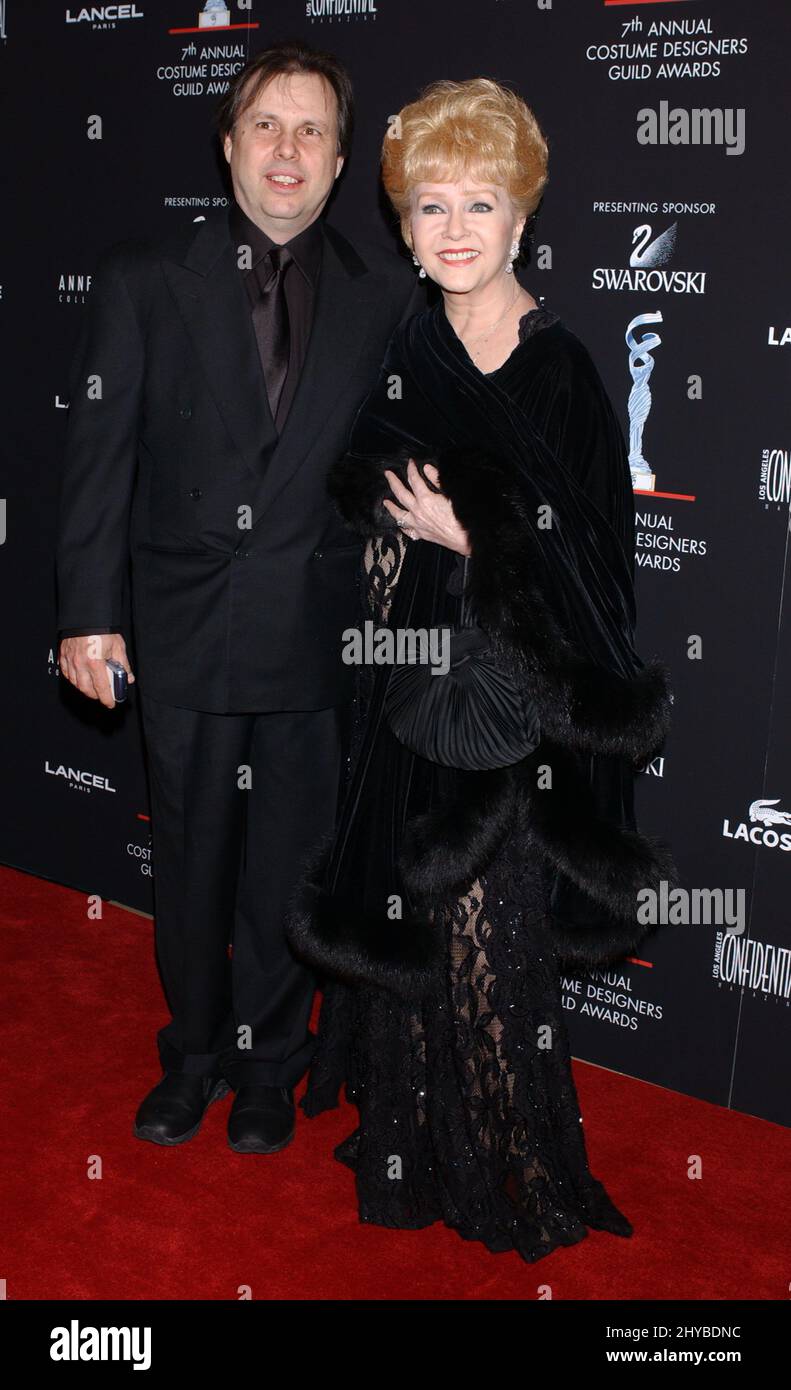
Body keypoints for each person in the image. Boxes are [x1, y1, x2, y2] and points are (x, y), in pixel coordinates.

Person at [287, 77, 677, 1261]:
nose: (453, 229)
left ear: (521, 220)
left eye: (480, 204)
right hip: (411, 685)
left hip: (516, 714)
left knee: (487, 940)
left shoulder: (560, 371)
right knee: (413, 920)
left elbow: (598, 572)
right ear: (404, 224)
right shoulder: (410, 342)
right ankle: (412, 1156)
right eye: (431, 206)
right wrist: (392, 532)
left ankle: (512, 1166)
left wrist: (476, 540)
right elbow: (360, 494)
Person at [54, 42, 423, 1154]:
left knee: (286, 869)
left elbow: (396, 476)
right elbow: (96, 460)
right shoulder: (142, 279)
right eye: (266, 125)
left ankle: (272, 1061)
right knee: (191, 862)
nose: (287, 151)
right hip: (181, 628)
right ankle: (196, 1054)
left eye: (312, 131)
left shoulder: (386, 299)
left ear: (342, 159)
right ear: (226, 144)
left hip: (315, 641)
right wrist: (85, 611)